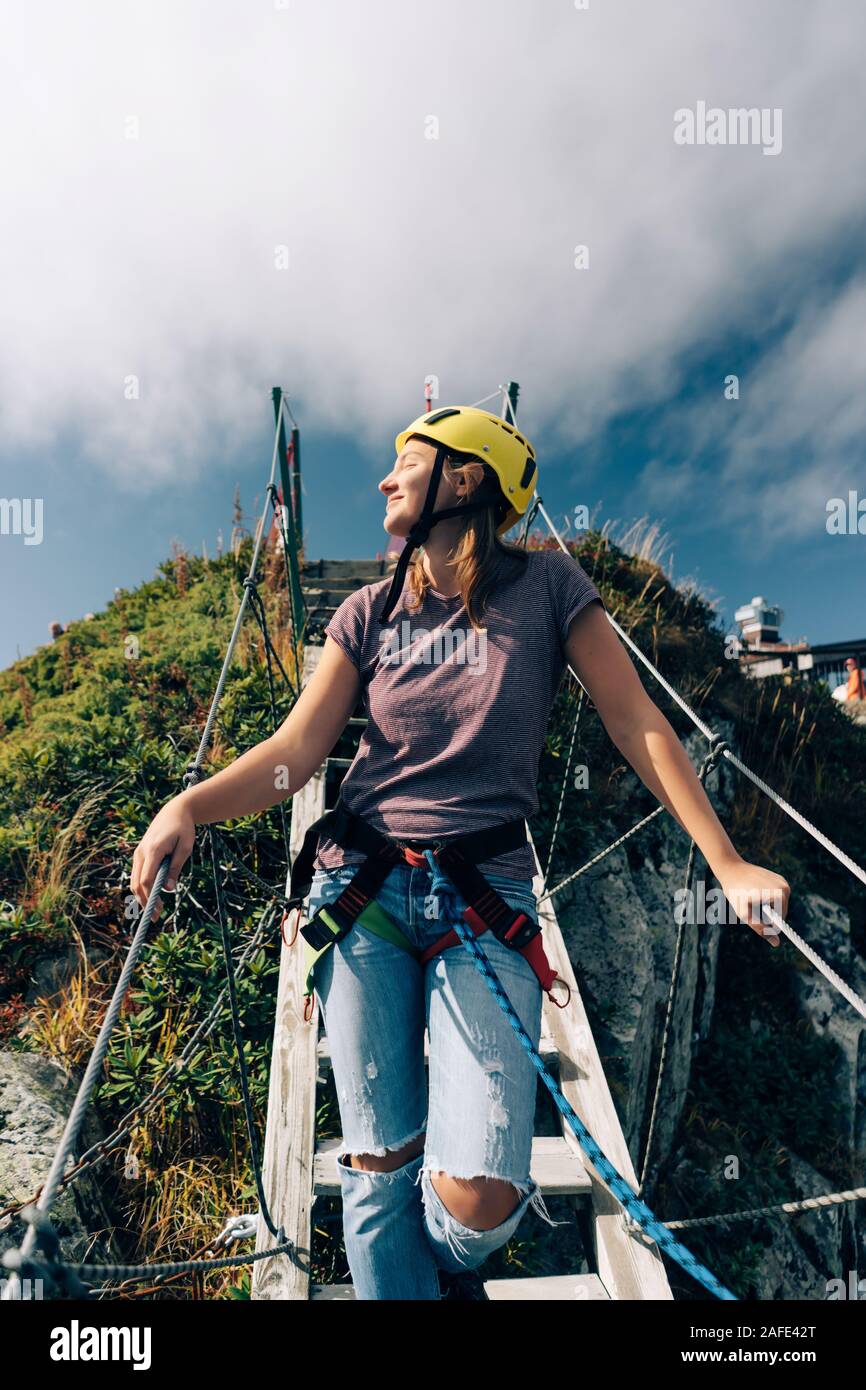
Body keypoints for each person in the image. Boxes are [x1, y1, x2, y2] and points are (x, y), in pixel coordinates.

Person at [131, 405, 791, 1300]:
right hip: (359, 892)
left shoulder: (553, 587)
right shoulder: (368, 611)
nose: (383, 479)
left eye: (406, 460)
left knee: (477, 1195)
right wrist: (190, 806)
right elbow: (298, 752)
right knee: (377, 1159)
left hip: (486, 893)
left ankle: (434, 1274)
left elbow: (637, 722)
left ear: (467, 477)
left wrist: (727, 863)